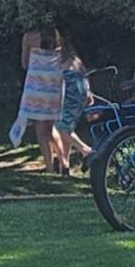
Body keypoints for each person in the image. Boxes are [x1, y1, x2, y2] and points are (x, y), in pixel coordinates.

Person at [15, 26, 68, 174]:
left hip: (37, 88)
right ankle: (64, 163)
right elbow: (64, 59)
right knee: (51, 128)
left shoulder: (29, 37)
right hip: (54, 87)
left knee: (41, 130)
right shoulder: (59, 36)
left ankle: (50, 169)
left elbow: (24, 63)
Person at [54, 29, 94, 170]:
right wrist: (89, 93)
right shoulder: (74, 56)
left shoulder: (57, 55)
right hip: (81, 88)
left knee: (59, 127)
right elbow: (84, 73)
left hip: (69, 89)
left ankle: (86, 151)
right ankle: (64, 165)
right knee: (68, 127)